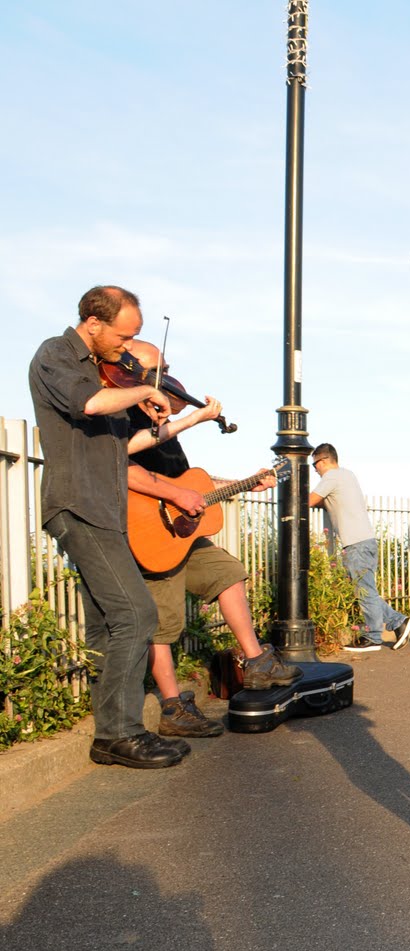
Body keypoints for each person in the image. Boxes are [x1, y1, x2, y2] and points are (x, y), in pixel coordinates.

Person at [29, 286, 192, 768]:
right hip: (78, 504)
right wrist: (144, 389)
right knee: (137, 614)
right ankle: (120, 733)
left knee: (107, 623)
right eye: (124, 337)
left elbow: (123, 447)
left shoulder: (109, 374)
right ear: (93, 324)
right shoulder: (55, 355)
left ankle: (112, 734)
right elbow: (90, 405)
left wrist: (175, 419)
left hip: (106, 506)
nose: (127, 348)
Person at [121, 339, 301, 739]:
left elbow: (193, 486)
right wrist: (176, 492)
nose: (168, 381)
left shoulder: (165, 431)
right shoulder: (126, 420)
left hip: (181, 532)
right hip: (148, 533)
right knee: (164, 624)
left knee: (227, 572)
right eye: (159, 371)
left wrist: (243, 483)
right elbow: (125, 471)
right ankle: (171, 707)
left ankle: (255, 662)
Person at [310, 444, 410, 652]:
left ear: (323, 460)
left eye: (314, 465)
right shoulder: (347, 475)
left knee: (365, 591)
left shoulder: (330, 477)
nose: (315, 469)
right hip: (364, 541)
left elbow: (309, 501)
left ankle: (373, 637)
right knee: (365, 590)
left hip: (356, 544)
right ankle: (398, 622)